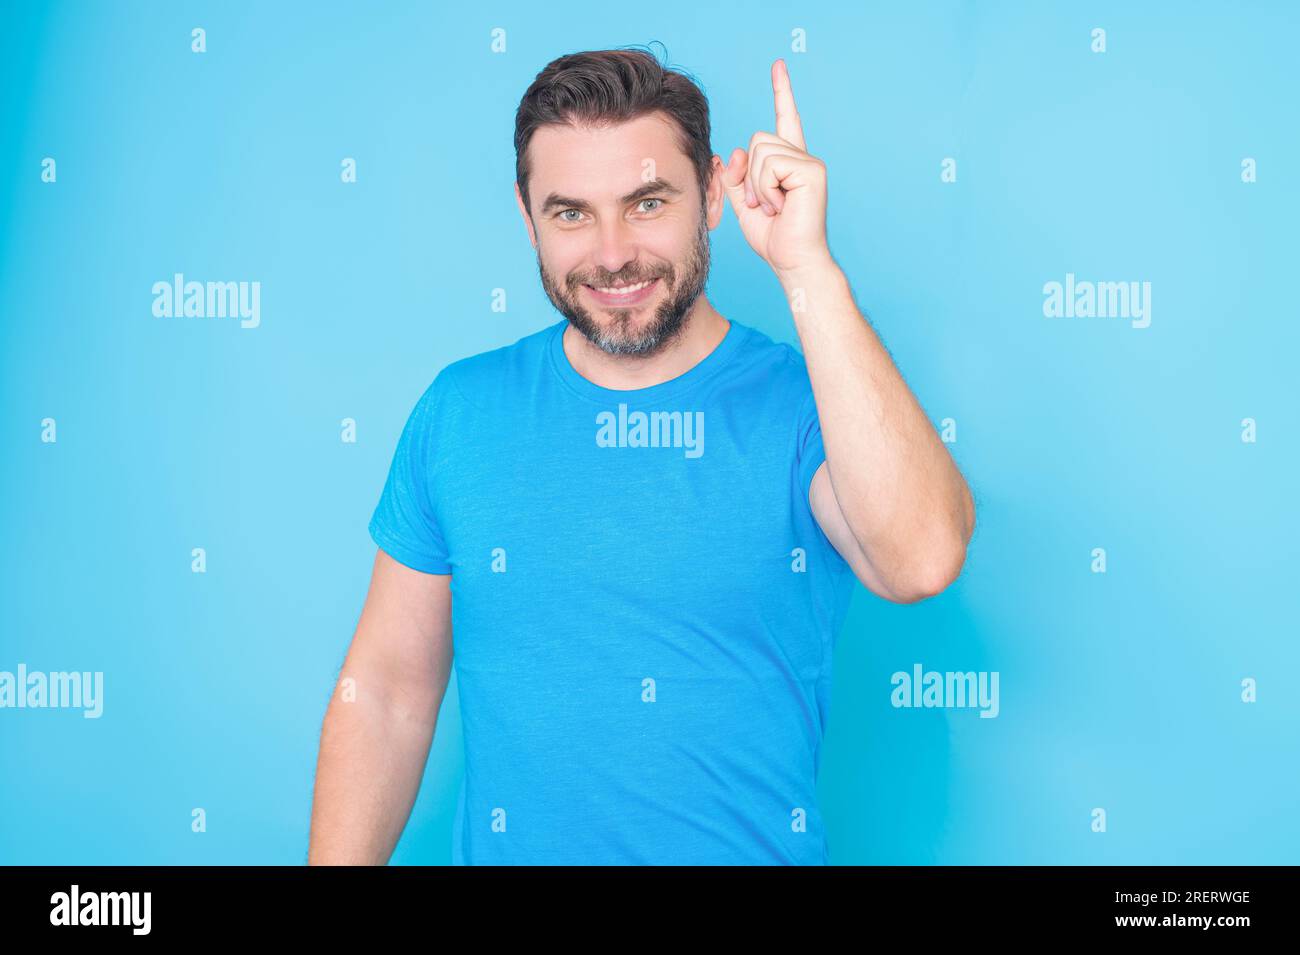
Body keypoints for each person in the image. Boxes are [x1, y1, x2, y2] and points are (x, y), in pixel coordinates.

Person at [309, 45, 975, 865]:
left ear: (713, 198)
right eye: (571, 213)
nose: (613, 252)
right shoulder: (460, 411)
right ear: (527, 216)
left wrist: (807, 268)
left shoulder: (812, 404)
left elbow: (920, 560)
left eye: (648, 202)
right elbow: (385, 693)